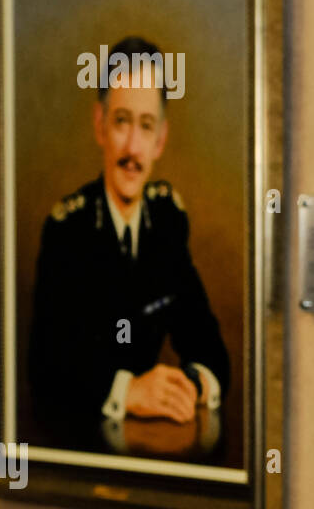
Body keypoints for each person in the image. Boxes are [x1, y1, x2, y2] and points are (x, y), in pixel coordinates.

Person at [28, 36, 230, 453]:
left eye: (145, 125)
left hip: (153, 454)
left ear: (161, 140)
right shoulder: (68, 229)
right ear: (99, 125)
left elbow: (210, 348)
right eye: (121, 122)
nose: (132, 149)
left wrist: (189, 384)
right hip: (79, 459)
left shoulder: (168, 223)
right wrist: (129, 389)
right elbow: (45, 369)